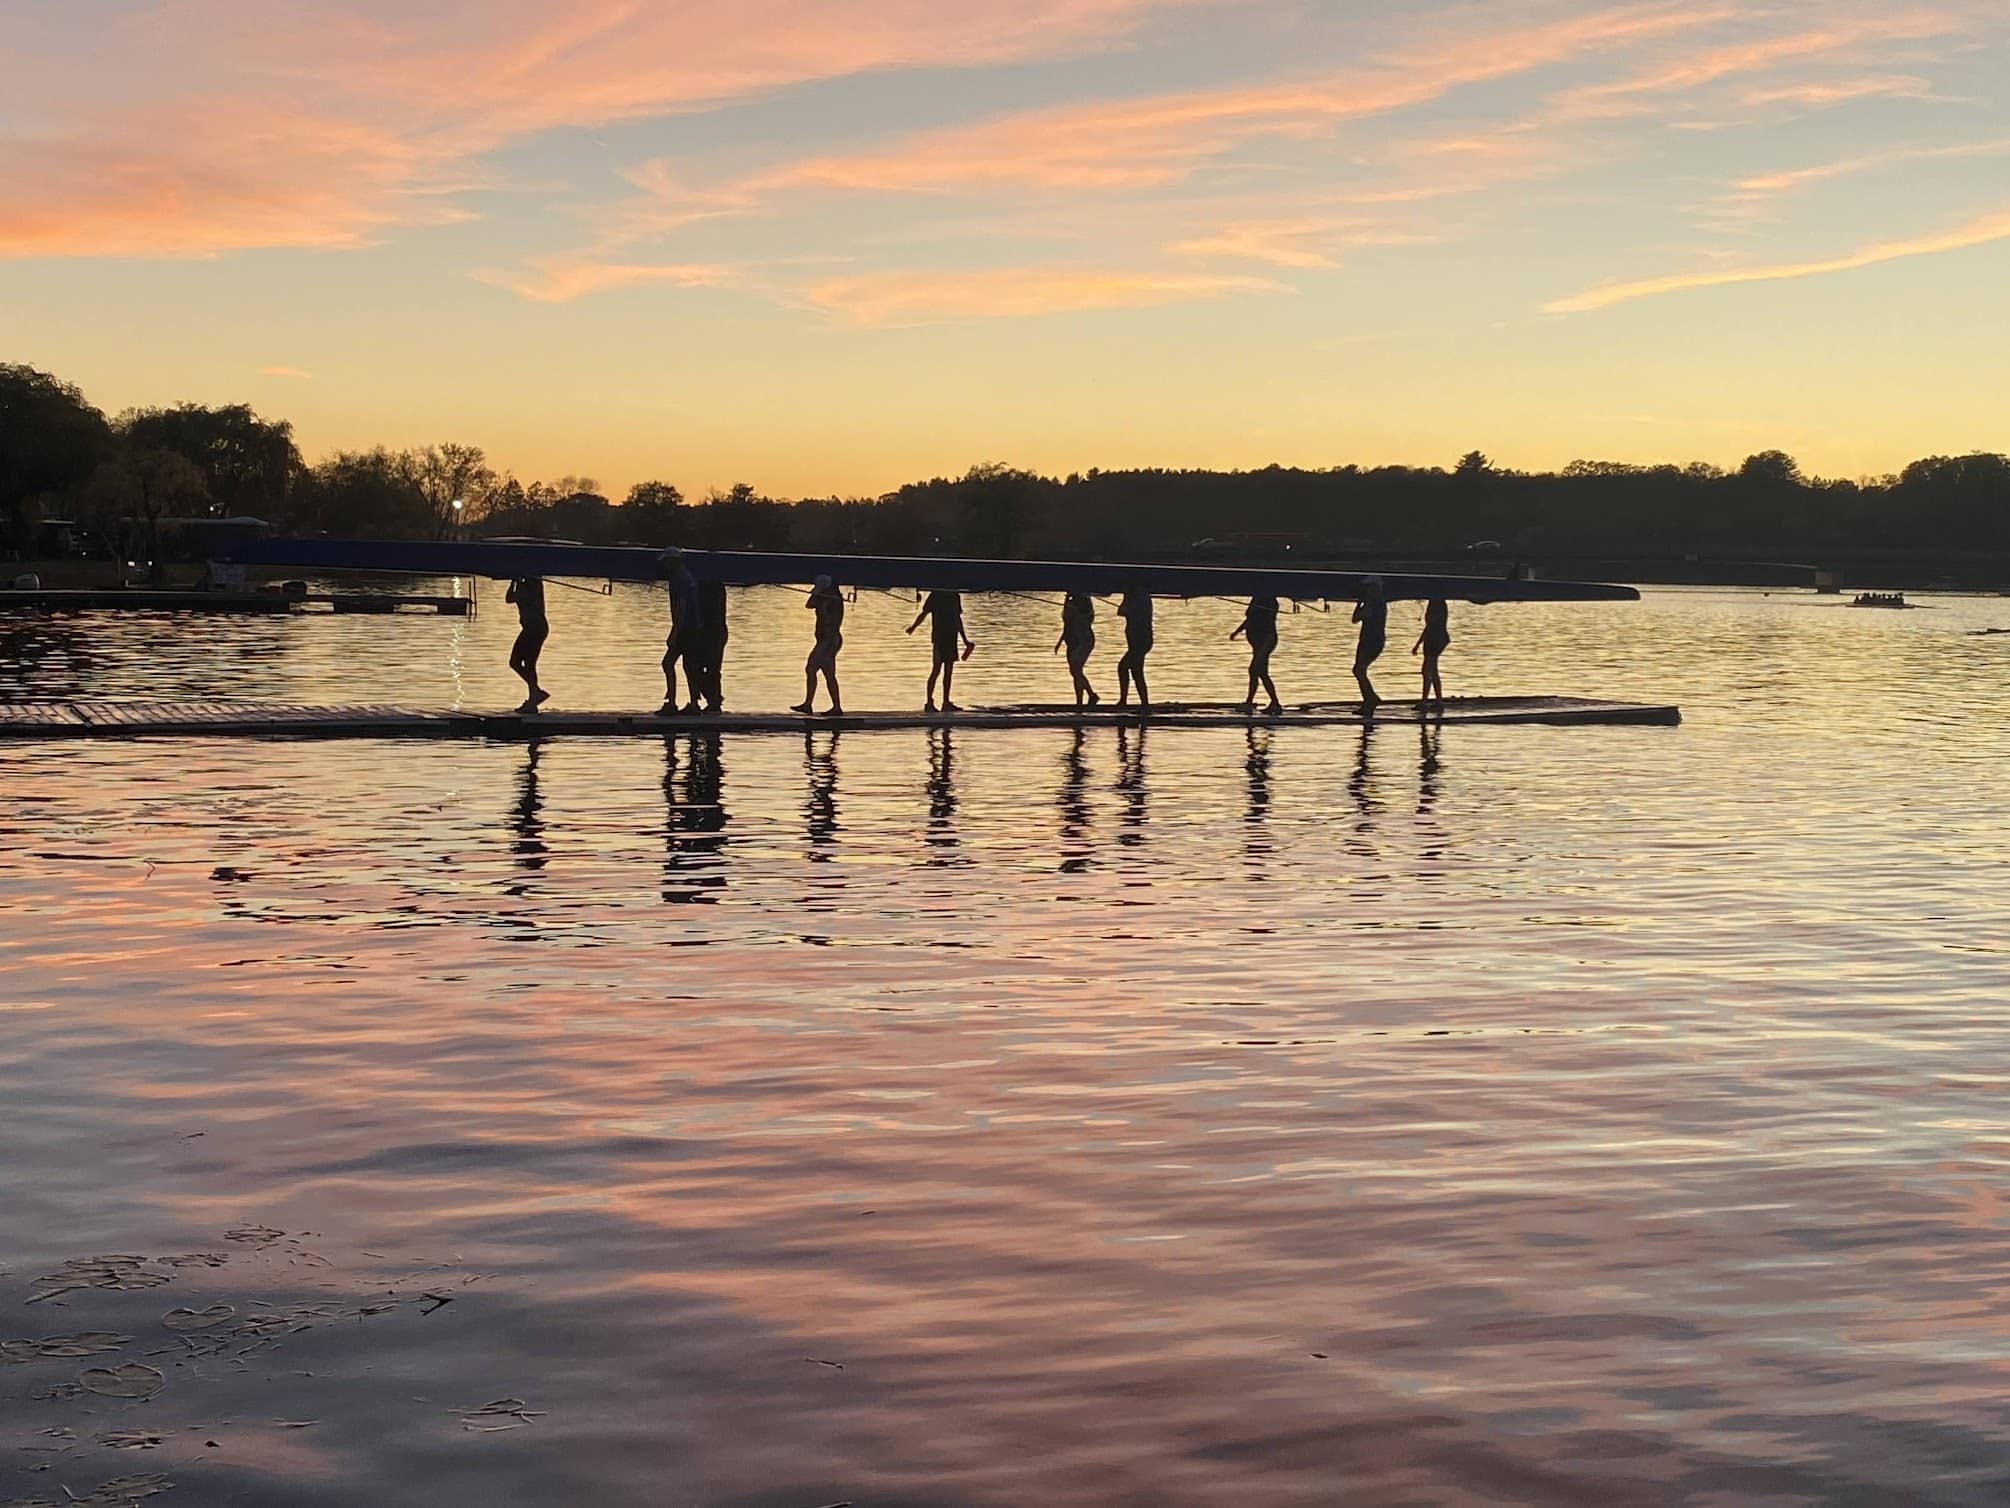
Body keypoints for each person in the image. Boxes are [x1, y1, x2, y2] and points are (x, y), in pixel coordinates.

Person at [906, 589, 974, 712]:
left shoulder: (953, 596)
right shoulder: (937, 595)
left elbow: (957, 619)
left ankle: (945, 702)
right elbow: (924, 614)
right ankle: (929, 702)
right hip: (940, 638)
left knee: (947, 671)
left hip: (950, 637)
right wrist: (913, 627)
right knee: (937, 670)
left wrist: (965, 640)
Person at [658, 548, 702, 715]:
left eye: (667, 562)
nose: (665, 565)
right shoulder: (686, 576)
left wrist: (674, 633)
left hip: (686, 629)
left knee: (670, 663)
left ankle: (674, 703)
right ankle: (691, 703)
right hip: (692, 628)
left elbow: (680, 607)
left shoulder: (679, 580)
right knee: (688, 666)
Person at [793, 574, 845, 715]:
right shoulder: (824, 597)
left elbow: (830, 620)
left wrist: (820, 595)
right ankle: (834, 707)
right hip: (824, 640)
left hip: (829, 640)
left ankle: (810, 704)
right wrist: (817, 593)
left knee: (811, 669)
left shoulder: (834, 600)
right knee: (828, 674)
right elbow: (809, 605)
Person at [1230, 594, 1282, 716]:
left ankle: (1275, 703)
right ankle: (1252, 702)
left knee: (1256, 670)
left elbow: (1262, 620)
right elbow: (1249, 620)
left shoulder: (1270, 601)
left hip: (1266, 640)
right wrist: (1237, 632)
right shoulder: (1256, 599)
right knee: (1258, 672)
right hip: (1257, 642)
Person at [504, 576, 549, 713]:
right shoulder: (525, 585)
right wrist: (514, 582)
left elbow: (513, 597)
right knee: (527, 664)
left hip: (534, 628)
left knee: (517, 662)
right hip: (533, 628)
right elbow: (509, 598)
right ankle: (533, 698)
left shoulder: (533, 585)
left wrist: (516, 582)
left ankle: (535, 693)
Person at [684, 577, 729, 713]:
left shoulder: (708, 586)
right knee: (701, 668)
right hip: (712, 631)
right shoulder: (709, 584)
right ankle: (713, 699)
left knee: (707, 668)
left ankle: (713, 700)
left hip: (712, 632)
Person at [1055, 591, 1099, 709]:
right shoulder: (1069, 605)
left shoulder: (1085, 608)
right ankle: (1084, 699)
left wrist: (1076, 611)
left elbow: (1084, 621)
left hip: (1083, 641)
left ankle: (1089, 697)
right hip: (1071, 642)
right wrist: (1059, 642)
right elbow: (1067, 625)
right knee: (1075, 672)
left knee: (1077, 670)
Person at [1352, 575, 1387, 713]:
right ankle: (1370, 698)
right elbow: (1355, 619)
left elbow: (1362, 616)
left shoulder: (1376, 603)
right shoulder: (1370, 602)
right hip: (1366, 640)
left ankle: (1370, 699)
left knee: (1359, 670)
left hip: (1373, 640)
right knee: (1358, 670)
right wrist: (1359, 603)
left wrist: (1363, 604)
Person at [1116, 589, 1153, 712]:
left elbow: (1122, 611)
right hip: (1136, 642)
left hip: (1141, 641)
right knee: (1137, 672)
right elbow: (1121, 611)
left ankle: (1124, 701)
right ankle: (1144, 704)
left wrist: (1126, 598)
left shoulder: (1140, 597)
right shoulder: (1136, 596)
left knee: (1123, 667)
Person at [1413, 596, 1449, 708]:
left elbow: (1431, 625)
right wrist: (1418, 644)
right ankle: (1438, 700)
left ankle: (1425, 701)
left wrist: (1419, 644)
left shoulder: (1438, 606)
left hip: (1436, 639)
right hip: (1432, 639)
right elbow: (1428, 626)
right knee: (1432, 671)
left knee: (1426, 671)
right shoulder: (1434, 604)